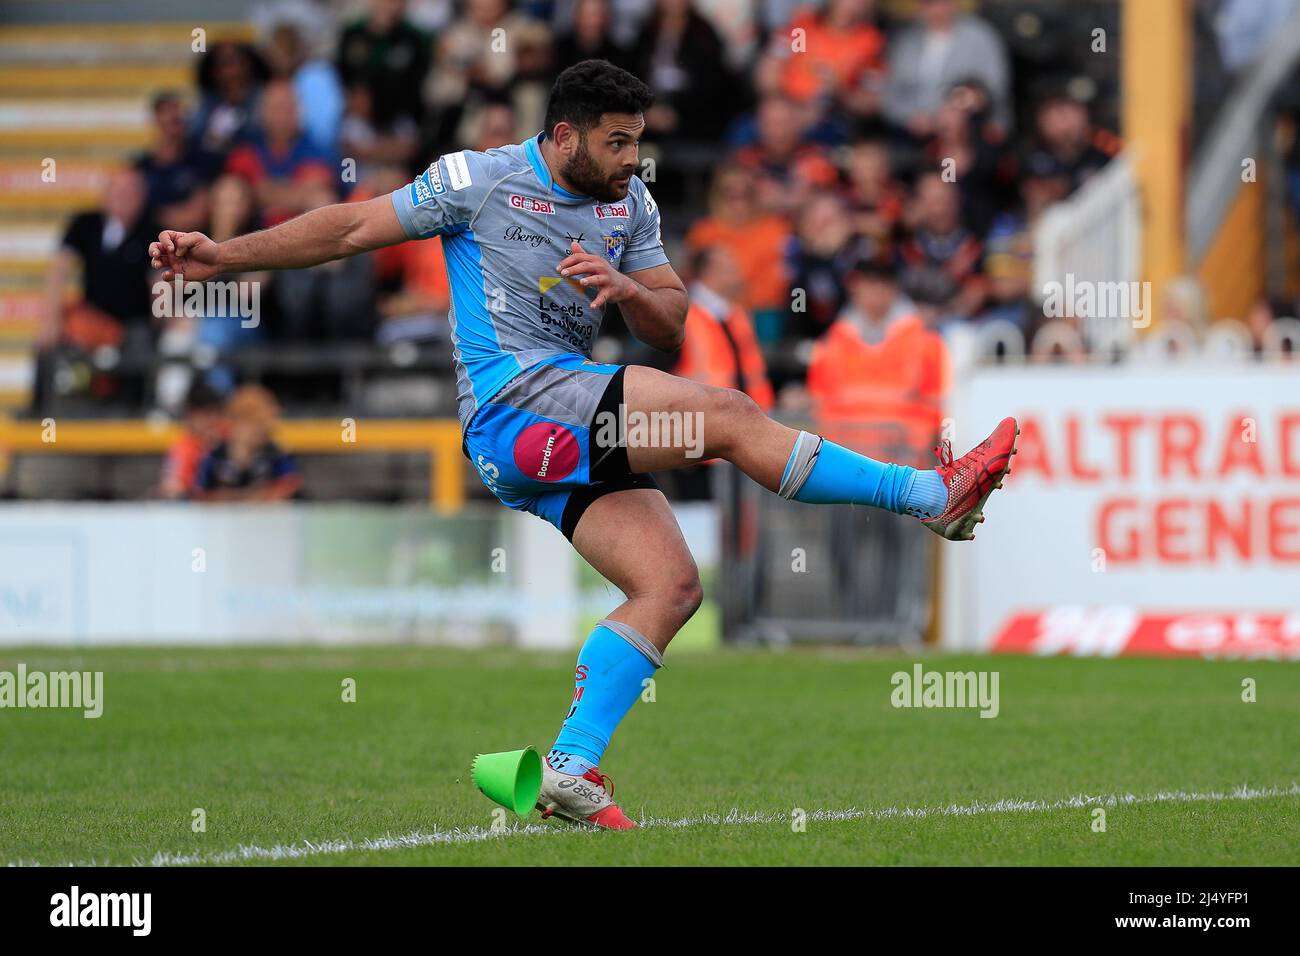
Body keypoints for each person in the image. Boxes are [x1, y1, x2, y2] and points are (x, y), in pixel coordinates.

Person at [150, 58, 1018, 830]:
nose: (630, 161)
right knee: (725, 415)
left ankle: (566, 767)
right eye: (614, 143)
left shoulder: (627, 201)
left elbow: (672, 322)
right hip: (517, 406)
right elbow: (347, 229)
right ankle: (930, 498)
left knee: (672, 587)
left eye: (636, 142)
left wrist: (626, 292)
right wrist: (225, 257)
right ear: (562, 135)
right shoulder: (476, 180)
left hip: (557, 431)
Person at [193, 384, 302, 501]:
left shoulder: (277, 455)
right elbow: (201, 495)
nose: (261, 432)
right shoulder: (215, 457)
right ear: (236, 422)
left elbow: (289, 488)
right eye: (255, 424)